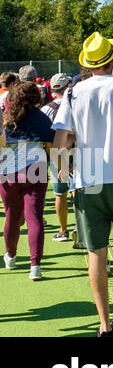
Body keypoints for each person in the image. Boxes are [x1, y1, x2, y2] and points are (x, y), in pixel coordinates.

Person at [51, 32, 113, 336]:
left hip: (87, 176)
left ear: (88, 62)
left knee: (96, 252)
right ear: (111, 59)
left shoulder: (72, 92)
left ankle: (104, 325)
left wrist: (62, 170)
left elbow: (61, 139)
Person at [2, 82, 54, 279]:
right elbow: (51, 143)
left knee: (12, 217)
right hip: (35, 168)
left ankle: (11, 255)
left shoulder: (7, 118)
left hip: (8, 170)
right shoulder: (41, 117)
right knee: (34, 218)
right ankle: (35, 266)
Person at [44, 74, 74, 242]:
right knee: (82, 192)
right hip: (81, 152)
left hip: (56, 154)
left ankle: (63, 230)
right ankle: (81, 227)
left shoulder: (47, 109)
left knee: (59, 193)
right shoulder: (76, 104)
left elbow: (45, 136)